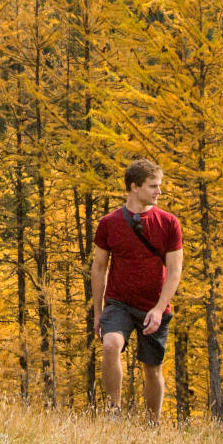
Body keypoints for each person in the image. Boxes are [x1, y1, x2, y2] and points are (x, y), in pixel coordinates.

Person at [89, 158, 184, 419]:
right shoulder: (109, 223)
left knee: (152, 367)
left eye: (159, 185)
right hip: (119, 302)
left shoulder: (168, 223)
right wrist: (98, 312)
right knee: (110, 345)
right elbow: (99, 267)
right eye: (153, 186)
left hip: (154, 304)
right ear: (134, 187)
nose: (159, 192)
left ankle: (153, 422)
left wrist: (158, 307)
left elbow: (175, 271)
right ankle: (113, 410)